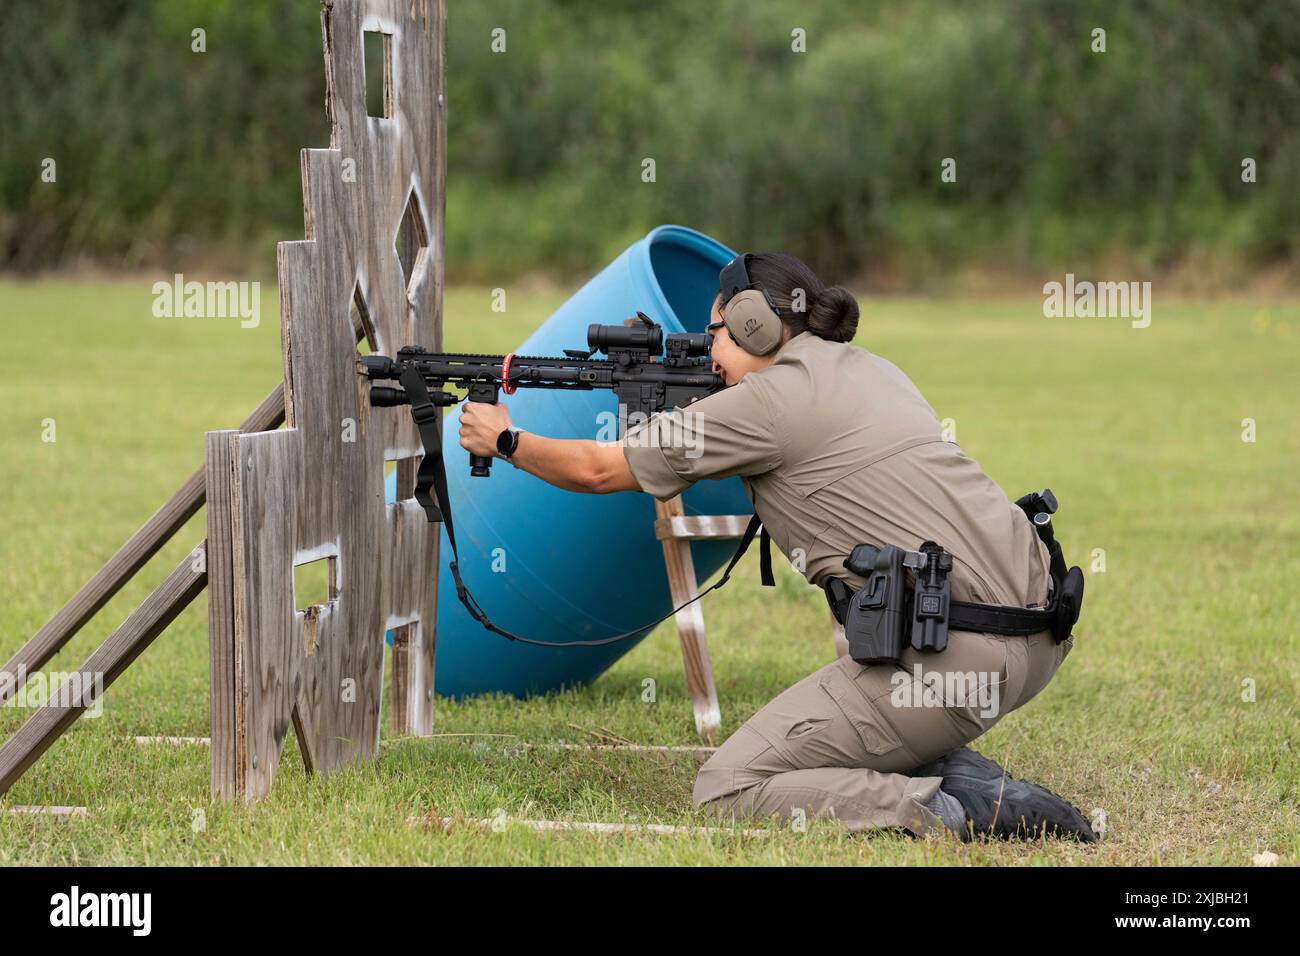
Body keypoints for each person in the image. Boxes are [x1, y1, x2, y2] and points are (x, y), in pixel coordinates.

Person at [456, 251, 1096, 842]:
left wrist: (506, 440)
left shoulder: (766, 404)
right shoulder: (874, 371)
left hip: (958, 658)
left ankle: (949, 808)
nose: (707, 351)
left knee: (728, 787)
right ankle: (954, 771)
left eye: (715, 332)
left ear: (754, 324)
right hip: (1036, 635)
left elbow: (599, 470)